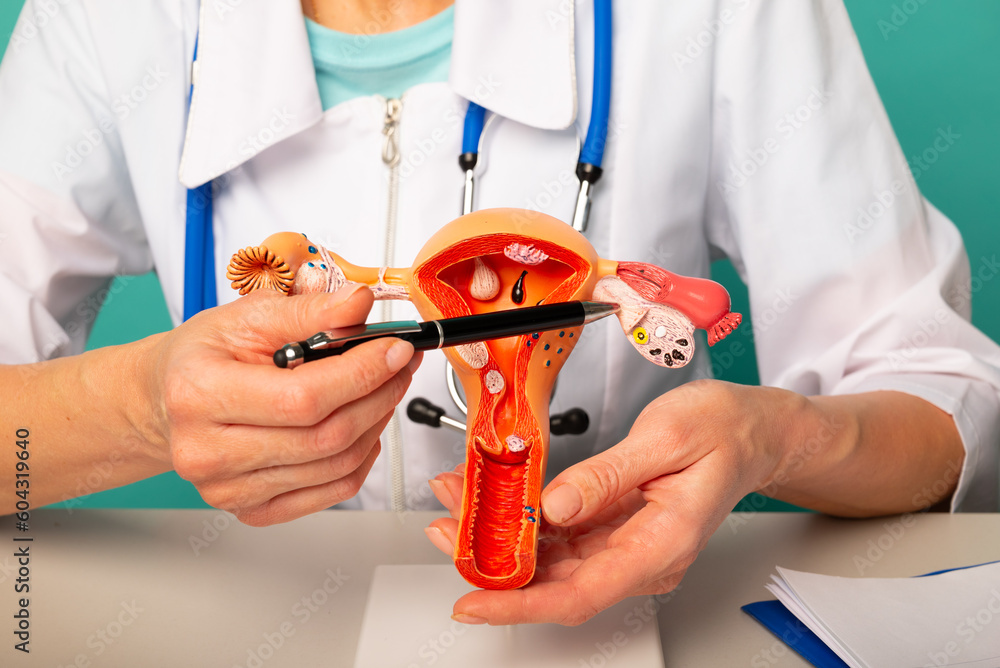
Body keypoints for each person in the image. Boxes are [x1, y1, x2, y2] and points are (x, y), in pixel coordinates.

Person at [1, 0, 998, 627]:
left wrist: (773, 439)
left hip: (612, 630)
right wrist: (132, 405)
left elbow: (939, 402)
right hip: (253, 623)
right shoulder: (101, 20)